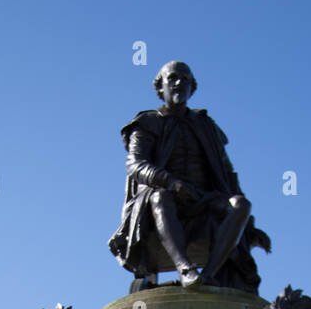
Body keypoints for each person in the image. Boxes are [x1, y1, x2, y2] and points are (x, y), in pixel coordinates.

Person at [109, 60, 271, 292]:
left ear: (192, 88)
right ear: (159, 88)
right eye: (172, 78)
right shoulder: (147, 123)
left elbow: (227, 174)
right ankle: (186, 269)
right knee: (160, 197)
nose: (178, 83)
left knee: (240, 205)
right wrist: (170, 182)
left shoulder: (206, 126)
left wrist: (251, 226)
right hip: (160, 198)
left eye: (185, 79)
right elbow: (135, 165)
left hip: (202, 200)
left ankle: (209, 275)